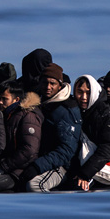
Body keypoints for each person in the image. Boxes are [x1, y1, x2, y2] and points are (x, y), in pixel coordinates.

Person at [22, 63, 82, 193]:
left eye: (52, 83)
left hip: (63, 166)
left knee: (34, 185)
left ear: (60, 85)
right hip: (42, 159)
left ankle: (50, 212)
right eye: (44, 83)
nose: (48, 87)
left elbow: (67, 150)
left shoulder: (67, 110)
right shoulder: (42, 103)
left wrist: (37, 167)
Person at [0, 81, 42, 193]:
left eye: (5, 99)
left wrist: (2, 168)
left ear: (16, 100)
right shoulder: (7, 115)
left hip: (20, 171)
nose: (0, 102)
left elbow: (29, 149)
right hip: (7, 167)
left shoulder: (28, 116)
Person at [71, 74, 110, 190]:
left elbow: (108, 148)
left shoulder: (106, 115)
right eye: (80, 92)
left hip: (96, 166)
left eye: (88, 93)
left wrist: (85, 173)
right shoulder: (75, 111)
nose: (83, 97)